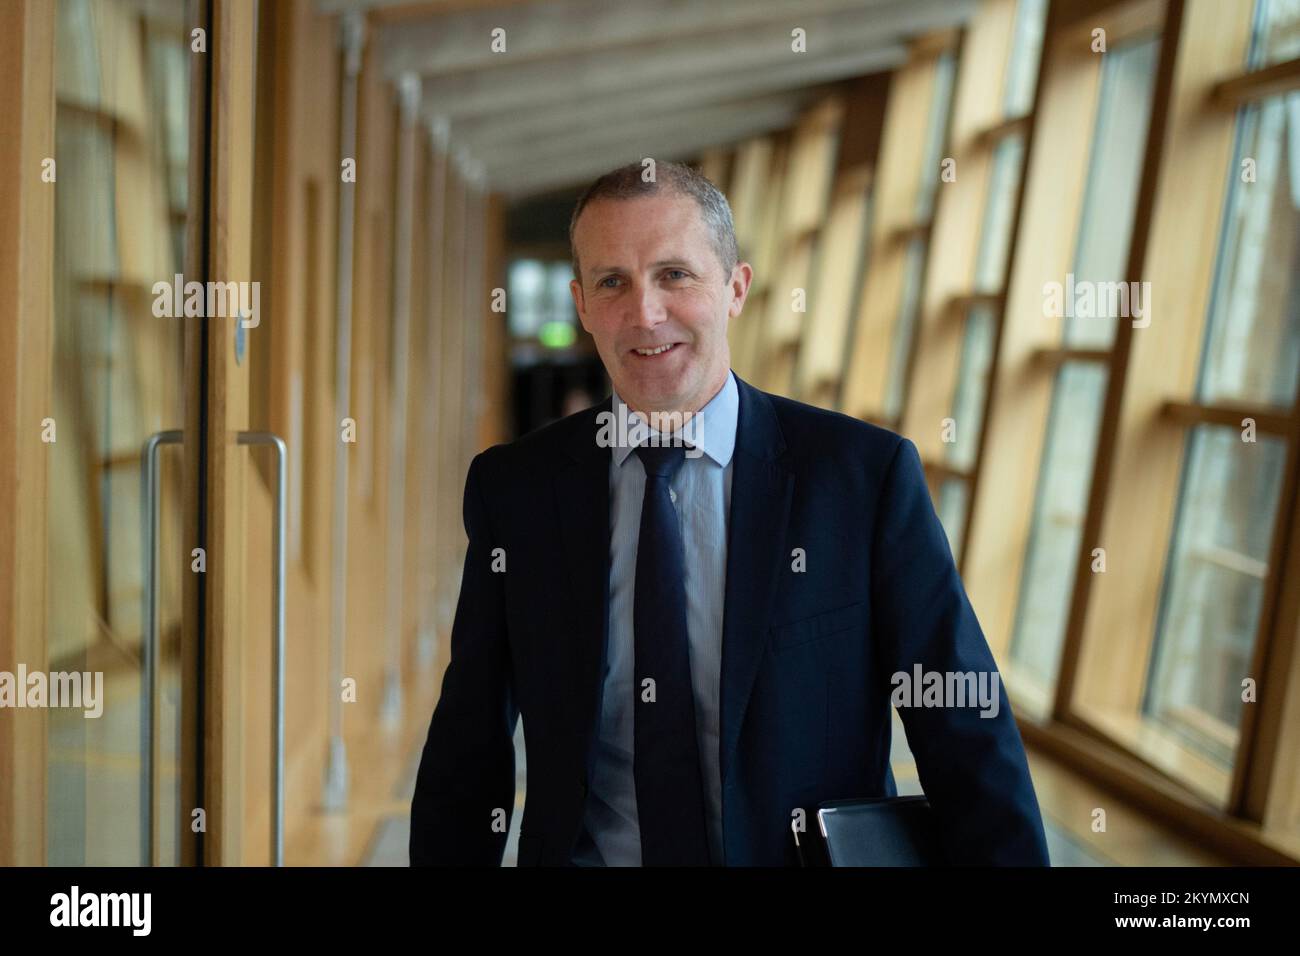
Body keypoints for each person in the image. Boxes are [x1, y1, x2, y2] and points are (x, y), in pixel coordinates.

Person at [409, 160, 1050, 866]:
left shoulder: (859, 480)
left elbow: (961, 722)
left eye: (675, 275)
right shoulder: (517, 491)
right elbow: (468, 745)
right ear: (581, 305)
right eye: (612, 282)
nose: (645, 313)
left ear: (735, 287)